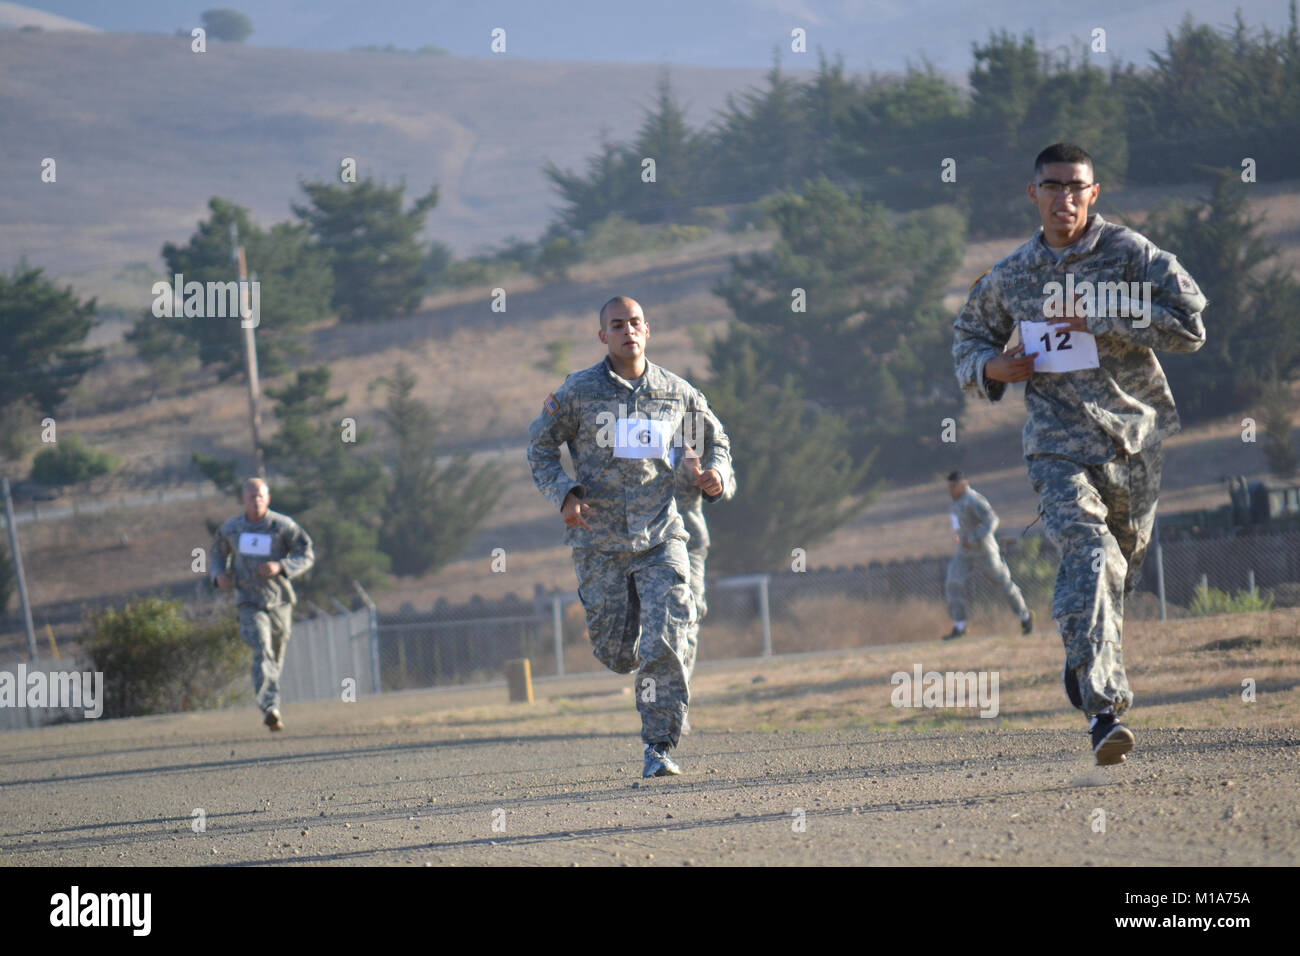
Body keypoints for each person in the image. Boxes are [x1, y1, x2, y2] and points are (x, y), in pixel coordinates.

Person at [953, 142, 1206, 765]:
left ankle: (1082, 657)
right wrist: (991, 364)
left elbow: (1190, 324)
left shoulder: (1129, 254)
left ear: (1093, 194)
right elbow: (967, 335)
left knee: (1117, 570)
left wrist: (1110, 317)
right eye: (1053, 186)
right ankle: (1103, 711)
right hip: (1056, 446)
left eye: (1076, 187)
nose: (1064, 198)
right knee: (1090, 554)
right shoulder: (1012, 274)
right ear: (1032, 194)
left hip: (1132, 442)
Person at [527, 295, 733, 777]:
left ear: (648, 329)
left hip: (662, 536)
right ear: (603, 336)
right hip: (599, 544)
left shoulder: (676, 392)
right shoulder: (578, 392)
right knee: (618, 653)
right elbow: (539, 448)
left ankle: (659, 745)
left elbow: (716, 439)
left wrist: (717, 475)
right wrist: (565, 494)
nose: (628, 332)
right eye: (617, 325)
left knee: (666, 637)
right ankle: (628, 647)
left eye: (636, 323)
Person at [209, 477, 315, 732]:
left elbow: (307, 554)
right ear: (243, 500)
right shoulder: (231, 529)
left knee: (275, 656)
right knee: (262, 648)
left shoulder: (283, 526)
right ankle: (270, 707)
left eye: (260, 496)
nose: (255, 501)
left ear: (267, 499)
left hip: (279, 601)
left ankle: (271, 702)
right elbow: (216, 553)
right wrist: (218, 575)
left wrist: (281, 566)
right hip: (248, 601)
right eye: (250, 496)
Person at [674, 442, 737, 728]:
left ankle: (675, 703)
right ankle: (656, 688)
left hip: (689, 539)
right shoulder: (631, 421)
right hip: (642, 542)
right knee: (646, 624)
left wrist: (714, 478)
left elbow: (728, 479)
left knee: (690, 615)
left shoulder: (697, 427)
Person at [941, 470, 1034, 641]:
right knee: (953, 581)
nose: (950, 490)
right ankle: (959, 626)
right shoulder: (953, 503)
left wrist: (975, 537)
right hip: (965, 552)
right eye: (949, 487)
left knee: (1003, 582)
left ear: (963, 484)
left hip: (984, 551)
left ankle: (1025, 617)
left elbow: (992, 520)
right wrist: (960, 537)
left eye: (953, 486)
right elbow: (957, 525)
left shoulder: (973, 500)